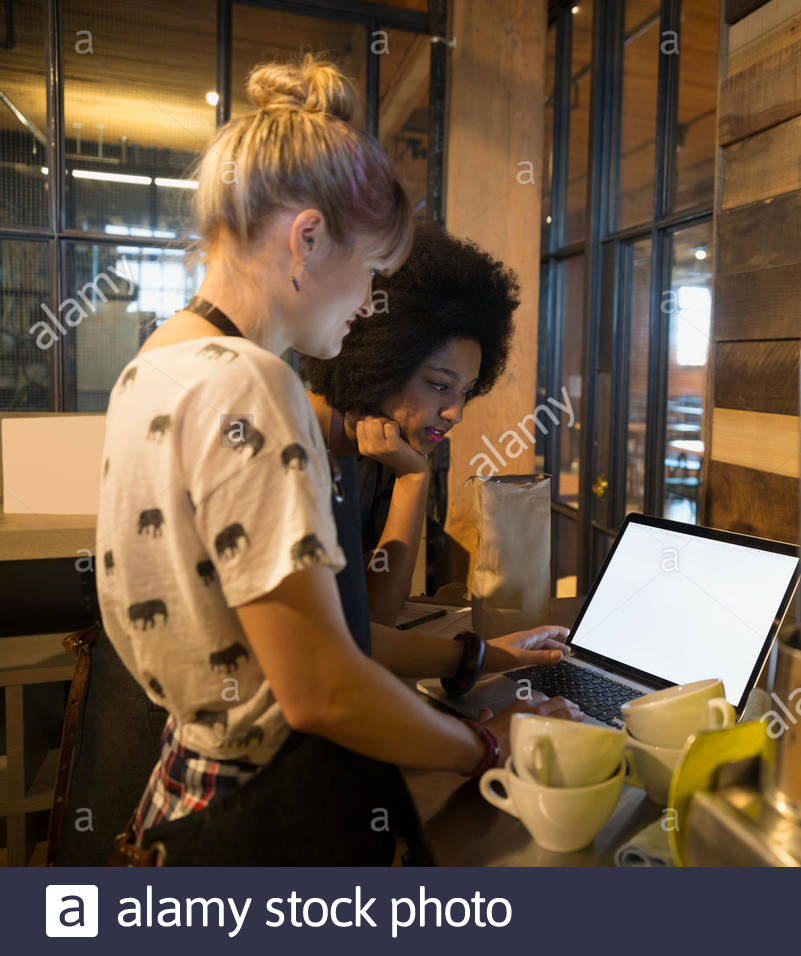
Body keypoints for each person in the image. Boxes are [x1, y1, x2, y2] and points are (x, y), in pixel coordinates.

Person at [92, 55, 578, 866]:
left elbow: (323, 638)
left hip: (186, 792)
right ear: (307, 239)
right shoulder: (254, 384)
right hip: (268, 814)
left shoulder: (156, 362)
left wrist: (476, 662)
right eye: (372, 276)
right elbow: (321, 689)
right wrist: (489, 745)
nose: (366, 307)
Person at [300, 222, 514, 623]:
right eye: (438, 385)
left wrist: (414, 476)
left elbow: (377, 613)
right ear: (379, 365)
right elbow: (351, 632)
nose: (456, 413)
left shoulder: (390, 450)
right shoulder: (293, 437)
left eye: (465, 391)